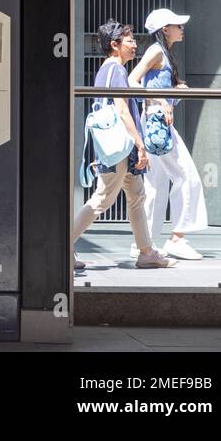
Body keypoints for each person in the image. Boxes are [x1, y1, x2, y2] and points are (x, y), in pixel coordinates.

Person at [70, 19, 174, 271]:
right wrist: (139, 145)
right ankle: (62, 244)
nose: (134, 45)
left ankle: (146, 252)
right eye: (129, 41)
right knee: (102, 199)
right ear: (114, 45)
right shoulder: (116, 69)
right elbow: (122, 110)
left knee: (137, 195)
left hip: (114, 146)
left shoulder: (105, 68)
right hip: (120, 146)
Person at [128, 9, 207, 261]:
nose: (181, 28)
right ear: (164, 29)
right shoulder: (155, 51)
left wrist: (174, 90)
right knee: (188, 176)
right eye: (177, 25)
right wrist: (162, 99)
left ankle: (143, 242)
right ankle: (177, 238)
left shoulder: (163, 53)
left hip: (153, 123)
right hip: (157, 124)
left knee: (154, 185)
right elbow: (132, 80)